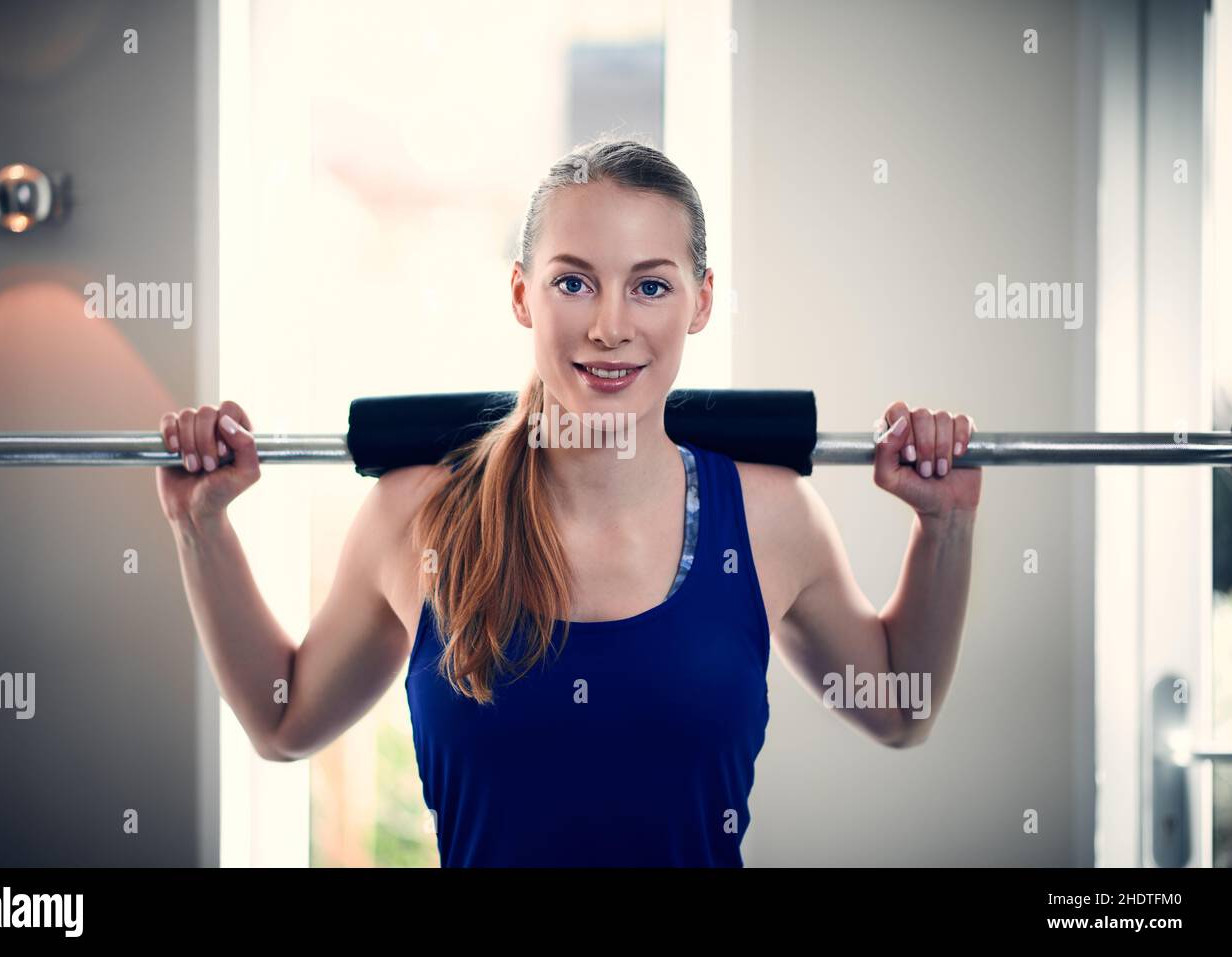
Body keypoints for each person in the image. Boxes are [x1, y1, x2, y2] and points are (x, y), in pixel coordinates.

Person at [156, 137, 981, 867]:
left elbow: (900, 711)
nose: (611, 326)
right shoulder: (417, 517)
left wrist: (944, 525)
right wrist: (201, 524)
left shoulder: (769, 516)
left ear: (701, 300)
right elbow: (284, 722)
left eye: (651, 286)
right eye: (575, 283)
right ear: (522, 295)